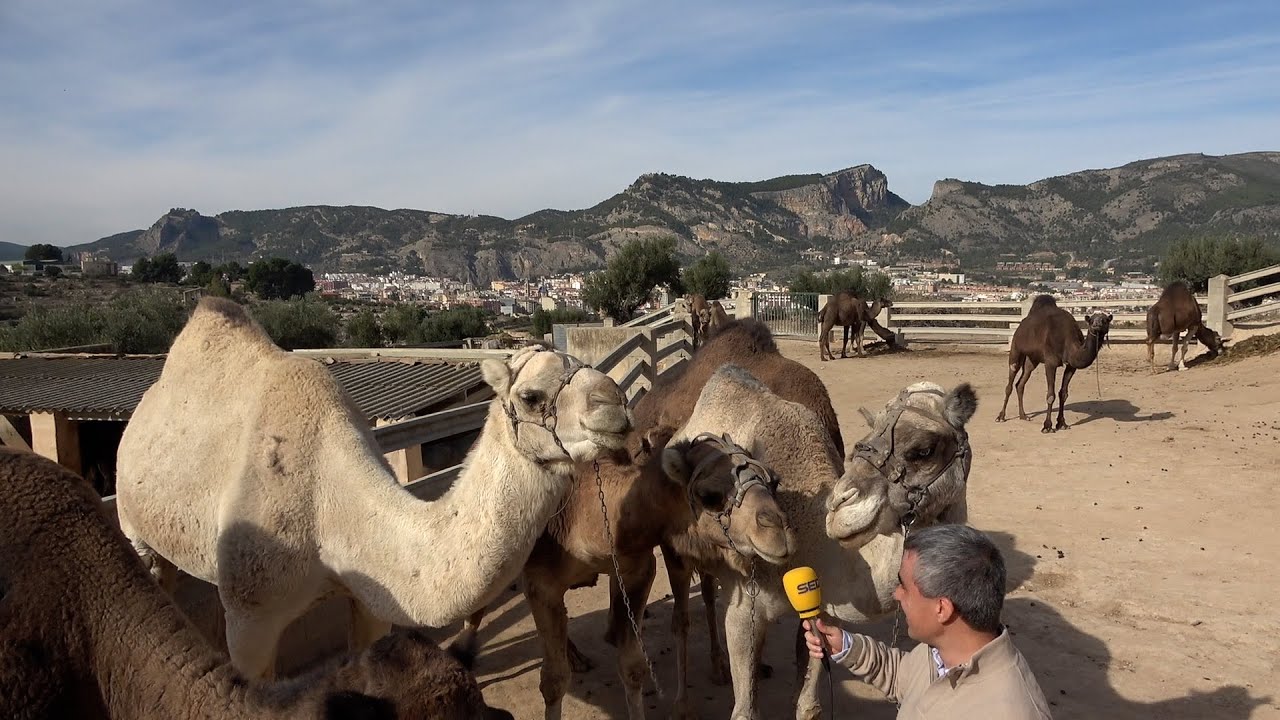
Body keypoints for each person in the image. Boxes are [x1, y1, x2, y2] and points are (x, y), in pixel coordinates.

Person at [805, 524, 1052, 718]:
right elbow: (903, 676)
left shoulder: (1011, 712)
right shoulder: (941, 651)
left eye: (904, 586)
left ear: (942, 609)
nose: (896, 594)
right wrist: (845, 646)